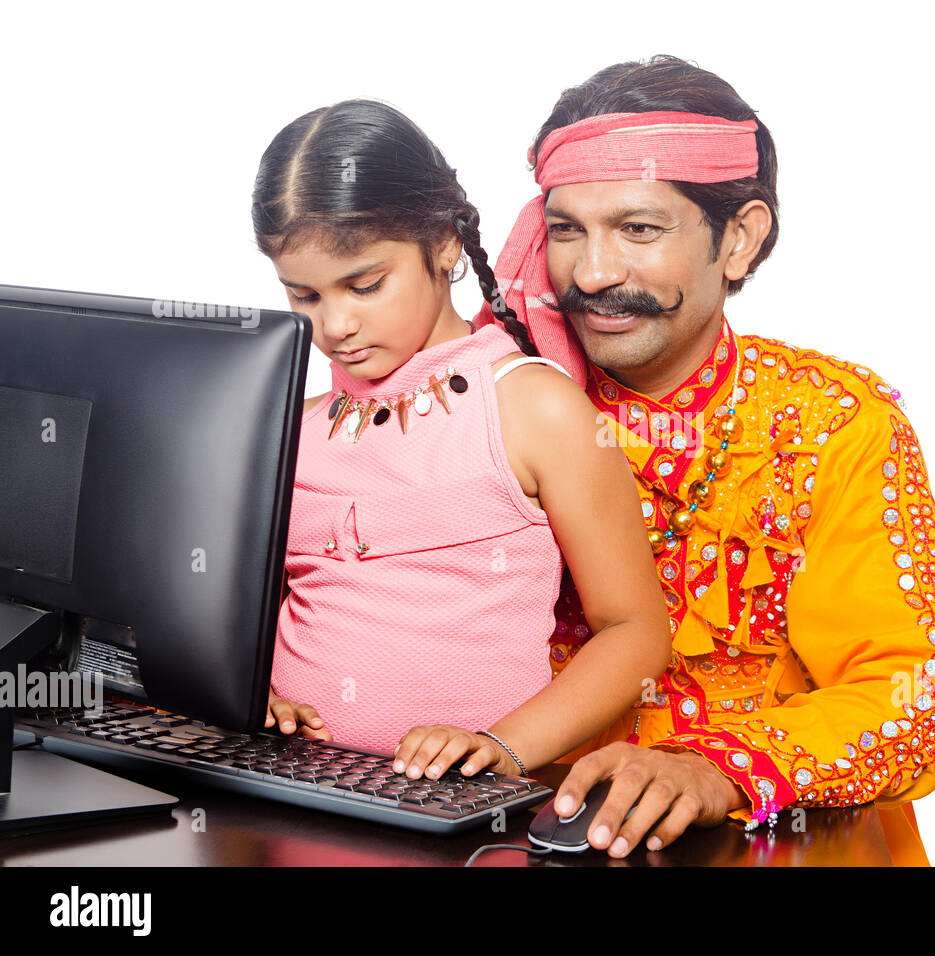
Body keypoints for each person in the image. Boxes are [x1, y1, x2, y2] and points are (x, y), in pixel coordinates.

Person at [478, 56, 935, 864]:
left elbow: (922, 698)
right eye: (567, 230)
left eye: (638, 229)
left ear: (739, 238)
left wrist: (720, 767)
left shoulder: (832, 424)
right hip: (531, 838)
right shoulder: (498, 411)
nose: (593, 273)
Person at [249, 99, 670, 782]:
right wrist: (254, 693)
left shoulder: (534, 409)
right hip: (289, 784)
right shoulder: (292, 425)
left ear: (444, 245)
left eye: (365, 285)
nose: (335, 326)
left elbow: (635, 631)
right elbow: (249, 614)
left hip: (462, 810)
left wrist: (504, 747)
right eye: (305, 297)